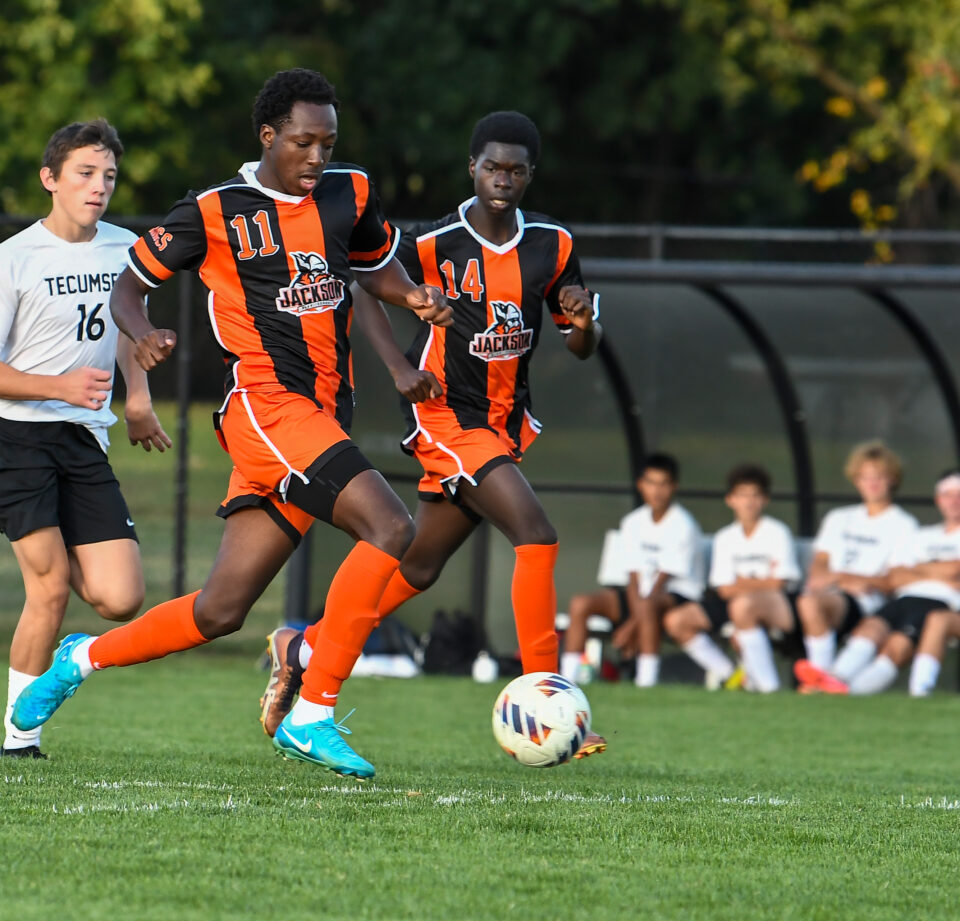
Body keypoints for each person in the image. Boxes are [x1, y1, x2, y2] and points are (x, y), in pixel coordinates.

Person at [9, 68, 455, 779]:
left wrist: (416, 296)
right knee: (393, 528)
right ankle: (312, 714)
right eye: (304, 143)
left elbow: (376, 269)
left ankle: (81, 657)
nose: (318, 158)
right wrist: (143, 333)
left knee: (220, 610)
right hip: (264, 404)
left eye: (328, 143)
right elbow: (131, 284)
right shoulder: (215, 209)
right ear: (269, 135)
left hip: (319, 416)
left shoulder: (350, 192)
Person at [262, 110, 606, 756]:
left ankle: (303, 645)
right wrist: (397, 368)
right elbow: (365, 284)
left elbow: (580, 340)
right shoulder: (432, 242)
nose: (503, 179)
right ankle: (546, 701)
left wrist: (583, 325)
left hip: (503, 425)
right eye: (492, 167)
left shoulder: (553, 246)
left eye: (516, 170)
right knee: (536, 534)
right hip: (445, 416)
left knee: (417, 566)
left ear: (531, 175)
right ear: (470, 168)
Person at [0, 118, 171, 758]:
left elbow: (134, 329)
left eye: (108, 175)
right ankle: (20, 737)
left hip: (82, 440)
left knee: (120, 599)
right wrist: (57, 386)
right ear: (50, 179)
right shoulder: (13, 258)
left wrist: (138, 398)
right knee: (47, 591)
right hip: (15, 439)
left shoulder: (126, 250)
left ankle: (2, 513)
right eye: (84, 173)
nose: (98, 186)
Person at [794, 469, 960, 695]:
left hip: (941, 604)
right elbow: (896, 575)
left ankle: (850, 692)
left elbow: (955, 571)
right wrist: (943, 570)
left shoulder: (909, 529)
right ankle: (831, 680)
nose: (954, 501)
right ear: (938, 500)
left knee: (896, 647)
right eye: (948, 495)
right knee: (869, 630)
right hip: (904, 598)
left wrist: (919, 569)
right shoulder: (923, 535)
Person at [562, 453, 703, 688]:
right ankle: (567, 679)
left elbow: (661, 583)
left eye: (663, 483)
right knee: (580, 603)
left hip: (676, 597)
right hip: (640, 598)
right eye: (651, 483)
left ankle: (645, 681)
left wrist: (631, 625)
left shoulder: (683, 525)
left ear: (674, 487)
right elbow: (634, 576)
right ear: (641, 485)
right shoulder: (633, 522)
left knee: (648, 605)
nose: (656, 490)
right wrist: (632, 619)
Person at [664, 463, 801, 692]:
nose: (748, 502)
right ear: (730, 500)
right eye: (742, 495)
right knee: (676, 621)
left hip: (775, 605)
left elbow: (778, 583)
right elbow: (724, 589)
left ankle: (770, 689)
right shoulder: (725, 537)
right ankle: (731, 676)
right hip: (734, 603)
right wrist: (758, 582)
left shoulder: (778, 533)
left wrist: (742, 582)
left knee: (743, 606)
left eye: (755, 495)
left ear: (765, 499)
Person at [793, 441, 917, 677]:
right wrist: (834, 578)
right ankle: (823, 679)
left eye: (879, 476)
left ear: (892, 479)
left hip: (868, 602)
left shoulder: (904, 525)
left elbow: (895, 580)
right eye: (865, 477)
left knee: (811, 602)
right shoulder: (839, 517)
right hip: (831, 592)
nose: (872, 484)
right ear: (856, 480)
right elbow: (820, 561)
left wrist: (843, 578)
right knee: (802, 601)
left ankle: (820, 676)